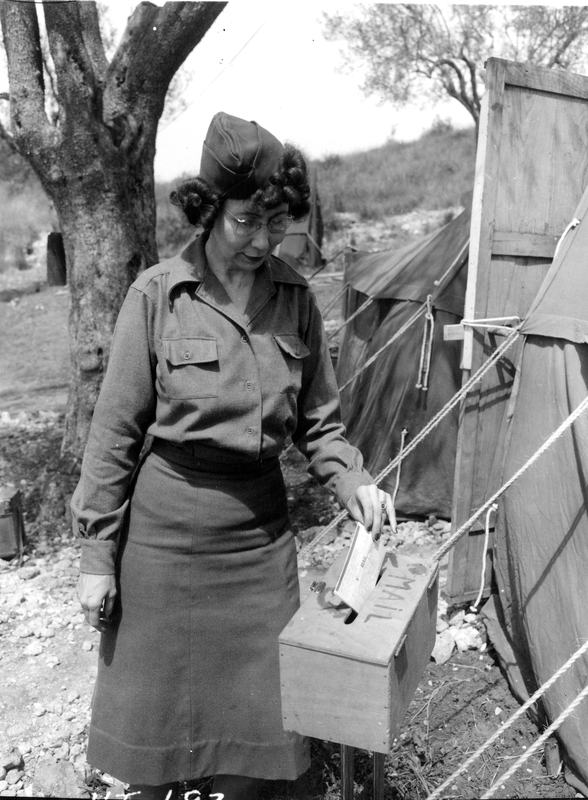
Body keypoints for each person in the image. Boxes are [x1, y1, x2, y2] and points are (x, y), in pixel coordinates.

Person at [73, 112, 396, 800]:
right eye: (245, 221)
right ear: (208, 209)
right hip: (163, 544)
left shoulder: (294, 300)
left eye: (275, 223)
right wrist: (97, 554)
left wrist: (356, 483)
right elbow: (113, 435)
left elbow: (322, 427)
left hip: (258, 545)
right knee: (156, 749)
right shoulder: (158, 295)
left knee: (262, 742)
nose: (260, 240)